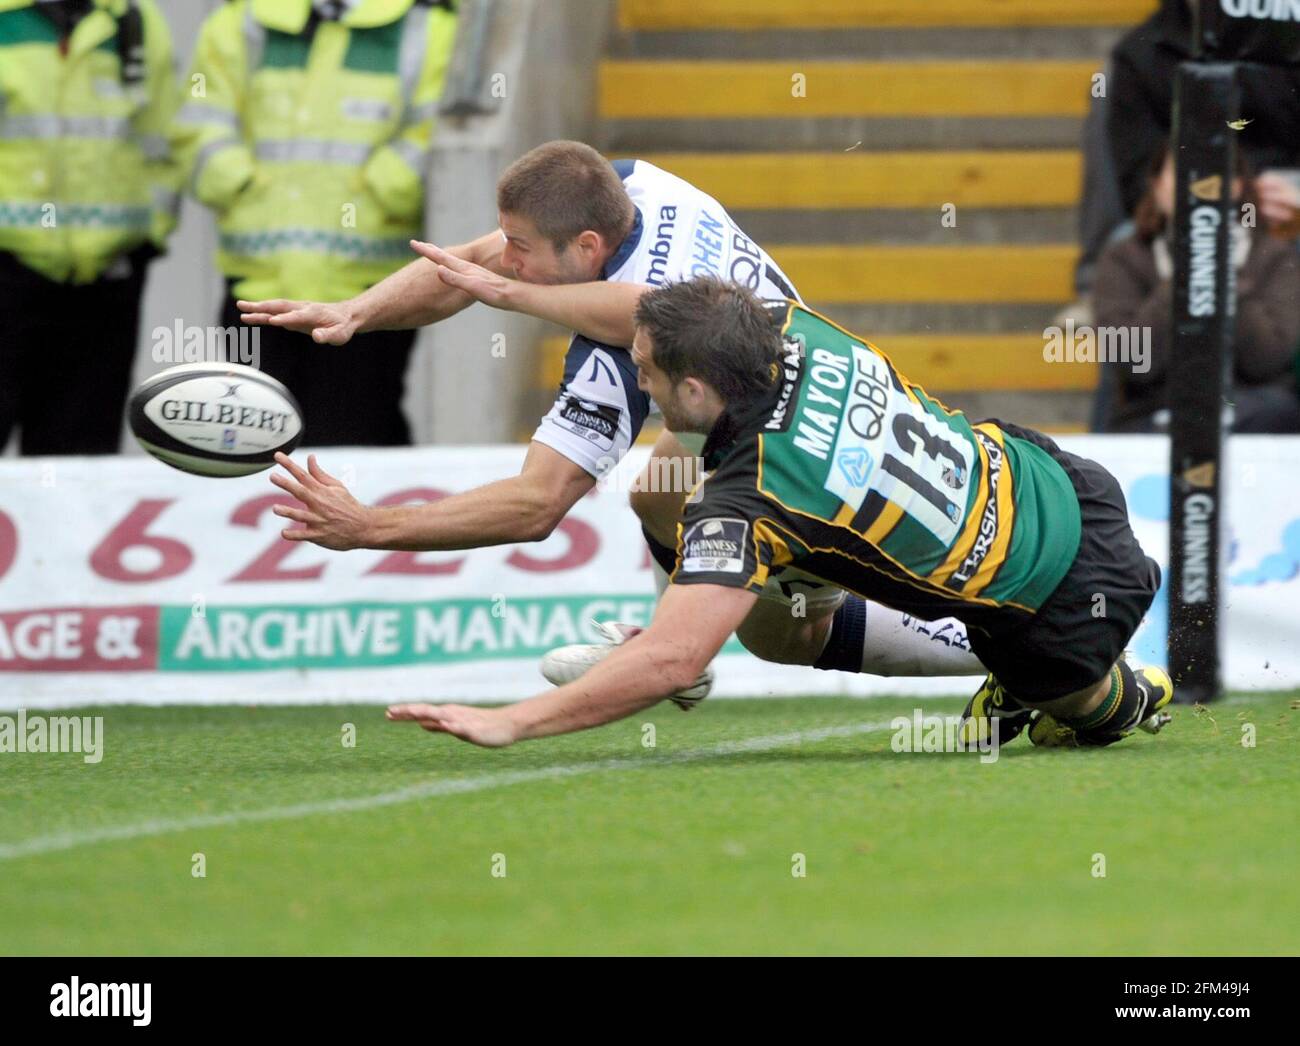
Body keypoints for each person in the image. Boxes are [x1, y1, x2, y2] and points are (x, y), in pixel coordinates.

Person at [246, 141, 988, 696]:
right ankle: (673, 646)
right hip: (833, 392)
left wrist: (370, 526)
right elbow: (470, 263)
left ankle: (1008, 648)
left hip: (805, 463)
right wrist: (357, 311)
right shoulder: (638, 185)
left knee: (785, 637)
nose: (507, 261)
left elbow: (536, 505)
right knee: (660, 491)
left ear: (589, 247)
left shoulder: (633, 346)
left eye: (523, 249)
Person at [384, 278, 1174, 751]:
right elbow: (645, 308)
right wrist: (511, 293)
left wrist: (513, 723)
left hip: (1058, 615)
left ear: (697, 390)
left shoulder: (752, 499)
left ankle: (1107, 693)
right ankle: (1018, 670)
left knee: (1077, 704)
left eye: (651, 375)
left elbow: (669, 665)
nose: (643, 384)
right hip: (1063, 478)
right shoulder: (789, 324)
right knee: (668, 496)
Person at [172, 0, 459, 446]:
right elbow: (199, 127)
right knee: (251, 453)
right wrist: (244, 187)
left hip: (370, 297)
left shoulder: (429, 29)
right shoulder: (239, 22)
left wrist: (379, 191)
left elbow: (436, 134)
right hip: (260, 292)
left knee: (357, 447)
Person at [0, 0, 179, 454]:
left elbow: (166, 141)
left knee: (75, 470)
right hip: (7, 270)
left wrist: (143, 238)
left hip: (104, 285)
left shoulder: (134, 23)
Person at [1094, 145, 1300, 434]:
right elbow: (1131, 361)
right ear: (1156, 184)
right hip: (1154, 412)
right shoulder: (1125, 257)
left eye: (1210, 174)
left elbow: (1268, 360)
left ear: (1237, 185)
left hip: (1251, 412)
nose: (1196, 187)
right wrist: (1183, 277)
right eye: (1182, 173)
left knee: (1278, 412)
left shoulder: (1273, 256)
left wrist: (1226, 278)